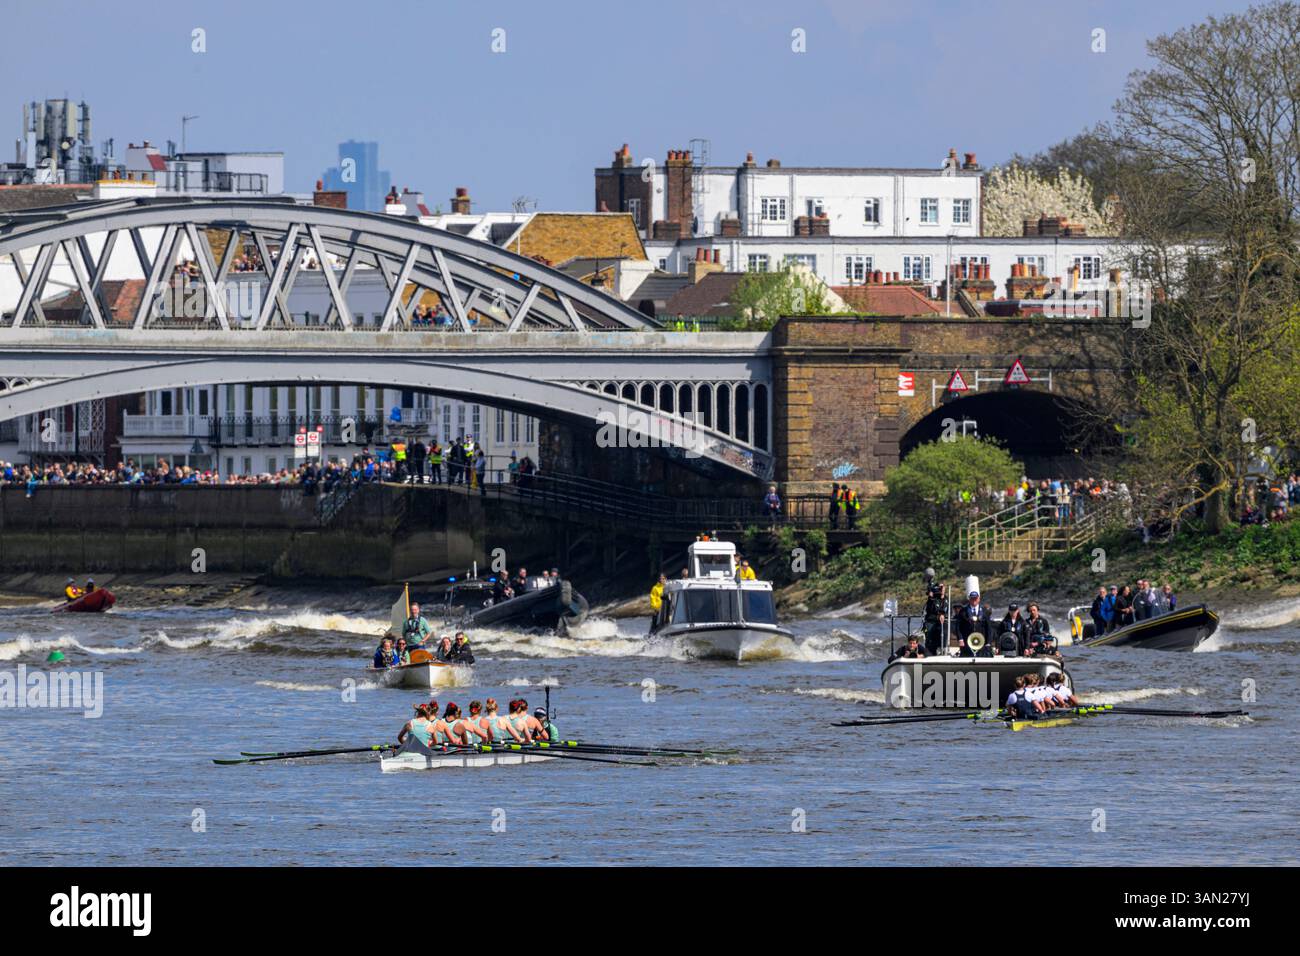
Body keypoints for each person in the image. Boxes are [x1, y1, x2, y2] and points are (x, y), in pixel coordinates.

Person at [956, 589, 992, 655]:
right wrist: (960, 639)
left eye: (975, 598)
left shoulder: (984, 611)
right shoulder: (963, 611)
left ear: (979, 599)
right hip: (966, 642)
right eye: (972, 598)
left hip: (981, 642)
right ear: (969, 599)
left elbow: (988, 628)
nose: (974, 600)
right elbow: (958, 627)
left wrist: (988, 642)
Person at [922, 577, 947, 654]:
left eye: (940, 588)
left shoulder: (945, 599)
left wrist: (942, 594)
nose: (938, 590)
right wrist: (930, 596)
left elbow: (945, 608)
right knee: (929, 637)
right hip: (930, 621)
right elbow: (930, 608)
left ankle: (941, 650)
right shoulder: (931, 599)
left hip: (940, 623)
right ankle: (929, 653)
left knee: (942, 633)